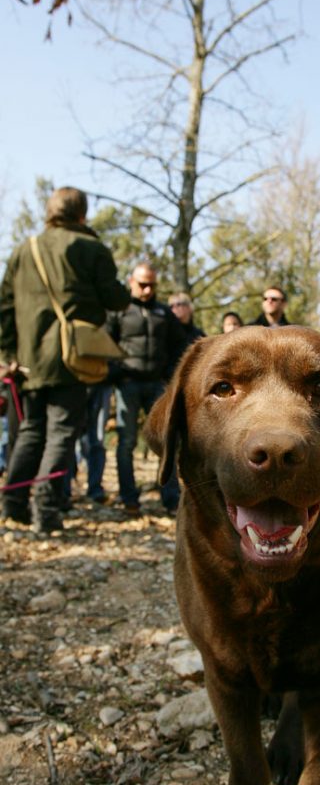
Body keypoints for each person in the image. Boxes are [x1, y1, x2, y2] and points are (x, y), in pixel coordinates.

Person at [0, 186, 130, 532]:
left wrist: (9, 355)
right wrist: (125, 290)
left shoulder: (23, 250)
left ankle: (13, 504)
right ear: (82, 214)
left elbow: (5, 308)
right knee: (62, 432)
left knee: (31, 430)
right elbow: (115, 299)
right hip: (72, 359)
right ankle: (46, 507)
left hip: (30, 362)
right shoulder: (91, 248)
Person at [108, 262, 187, 516]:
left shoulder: (164, 313)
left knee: (166, 441)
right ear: (131, 281)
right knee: (126, 441)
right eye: (142, 284)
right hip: (127, 383)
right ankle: (129, 497)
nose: (146, 289)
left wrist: (170, 377)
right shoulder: (119, 311)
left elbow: (180, 347)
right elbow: (105, 343)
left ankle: (171, 499)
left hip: (157, 385)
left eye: (151, 285)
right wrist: (115, 372)